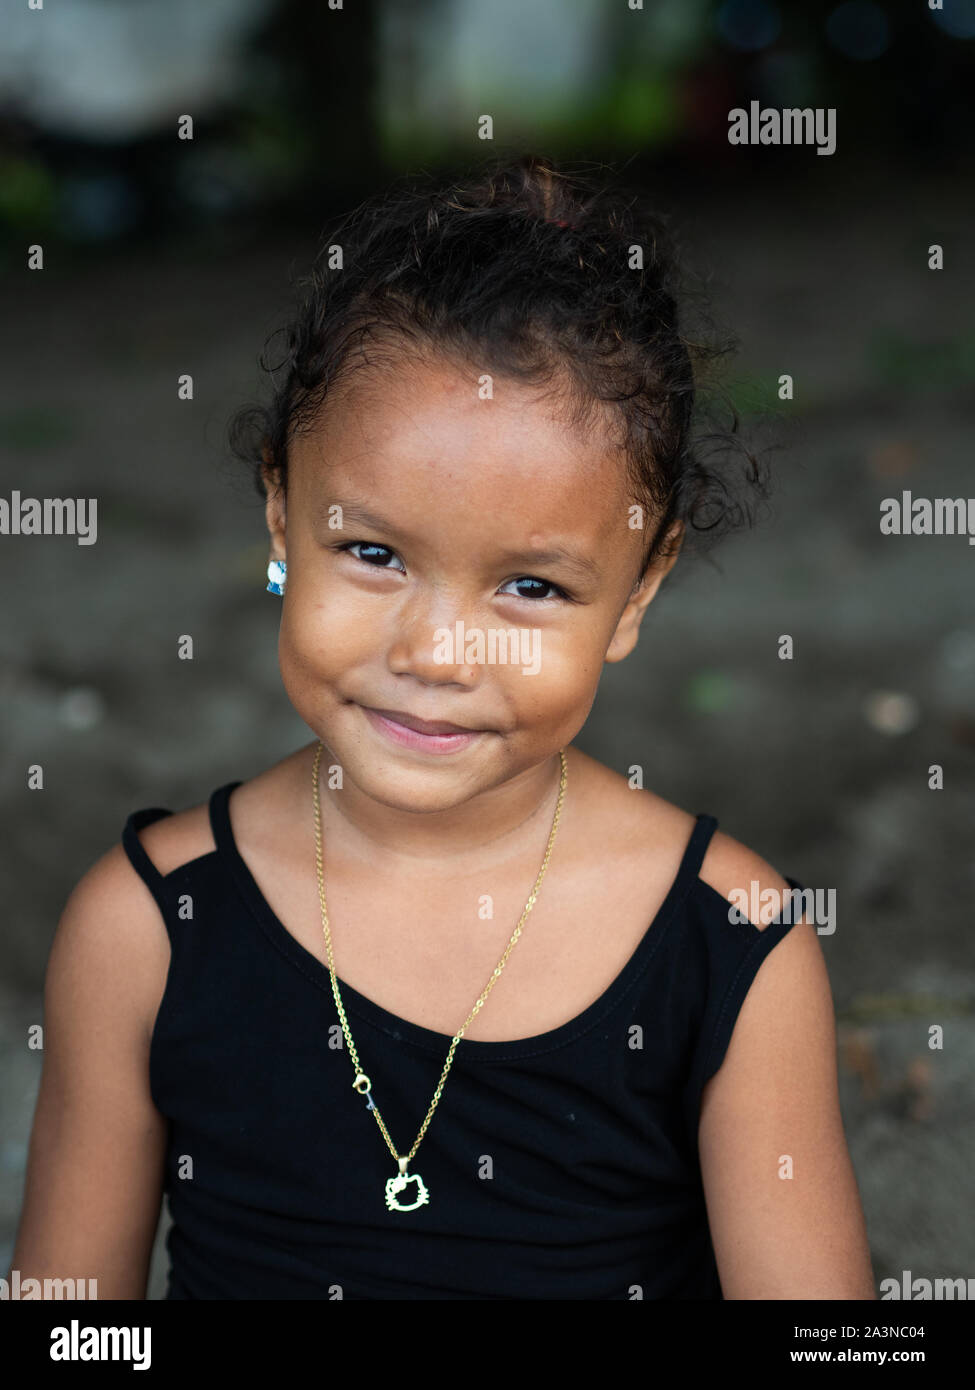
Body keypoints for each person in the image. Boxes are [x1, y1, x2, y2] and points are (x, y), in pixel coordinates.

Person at [10, 153, 875, 1300]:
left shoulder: (729, 945)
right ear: (280, 513)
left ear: (641, 590)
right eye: (372, 555)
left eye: (533, 587)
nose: (435, 655)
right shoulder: (146, 927)